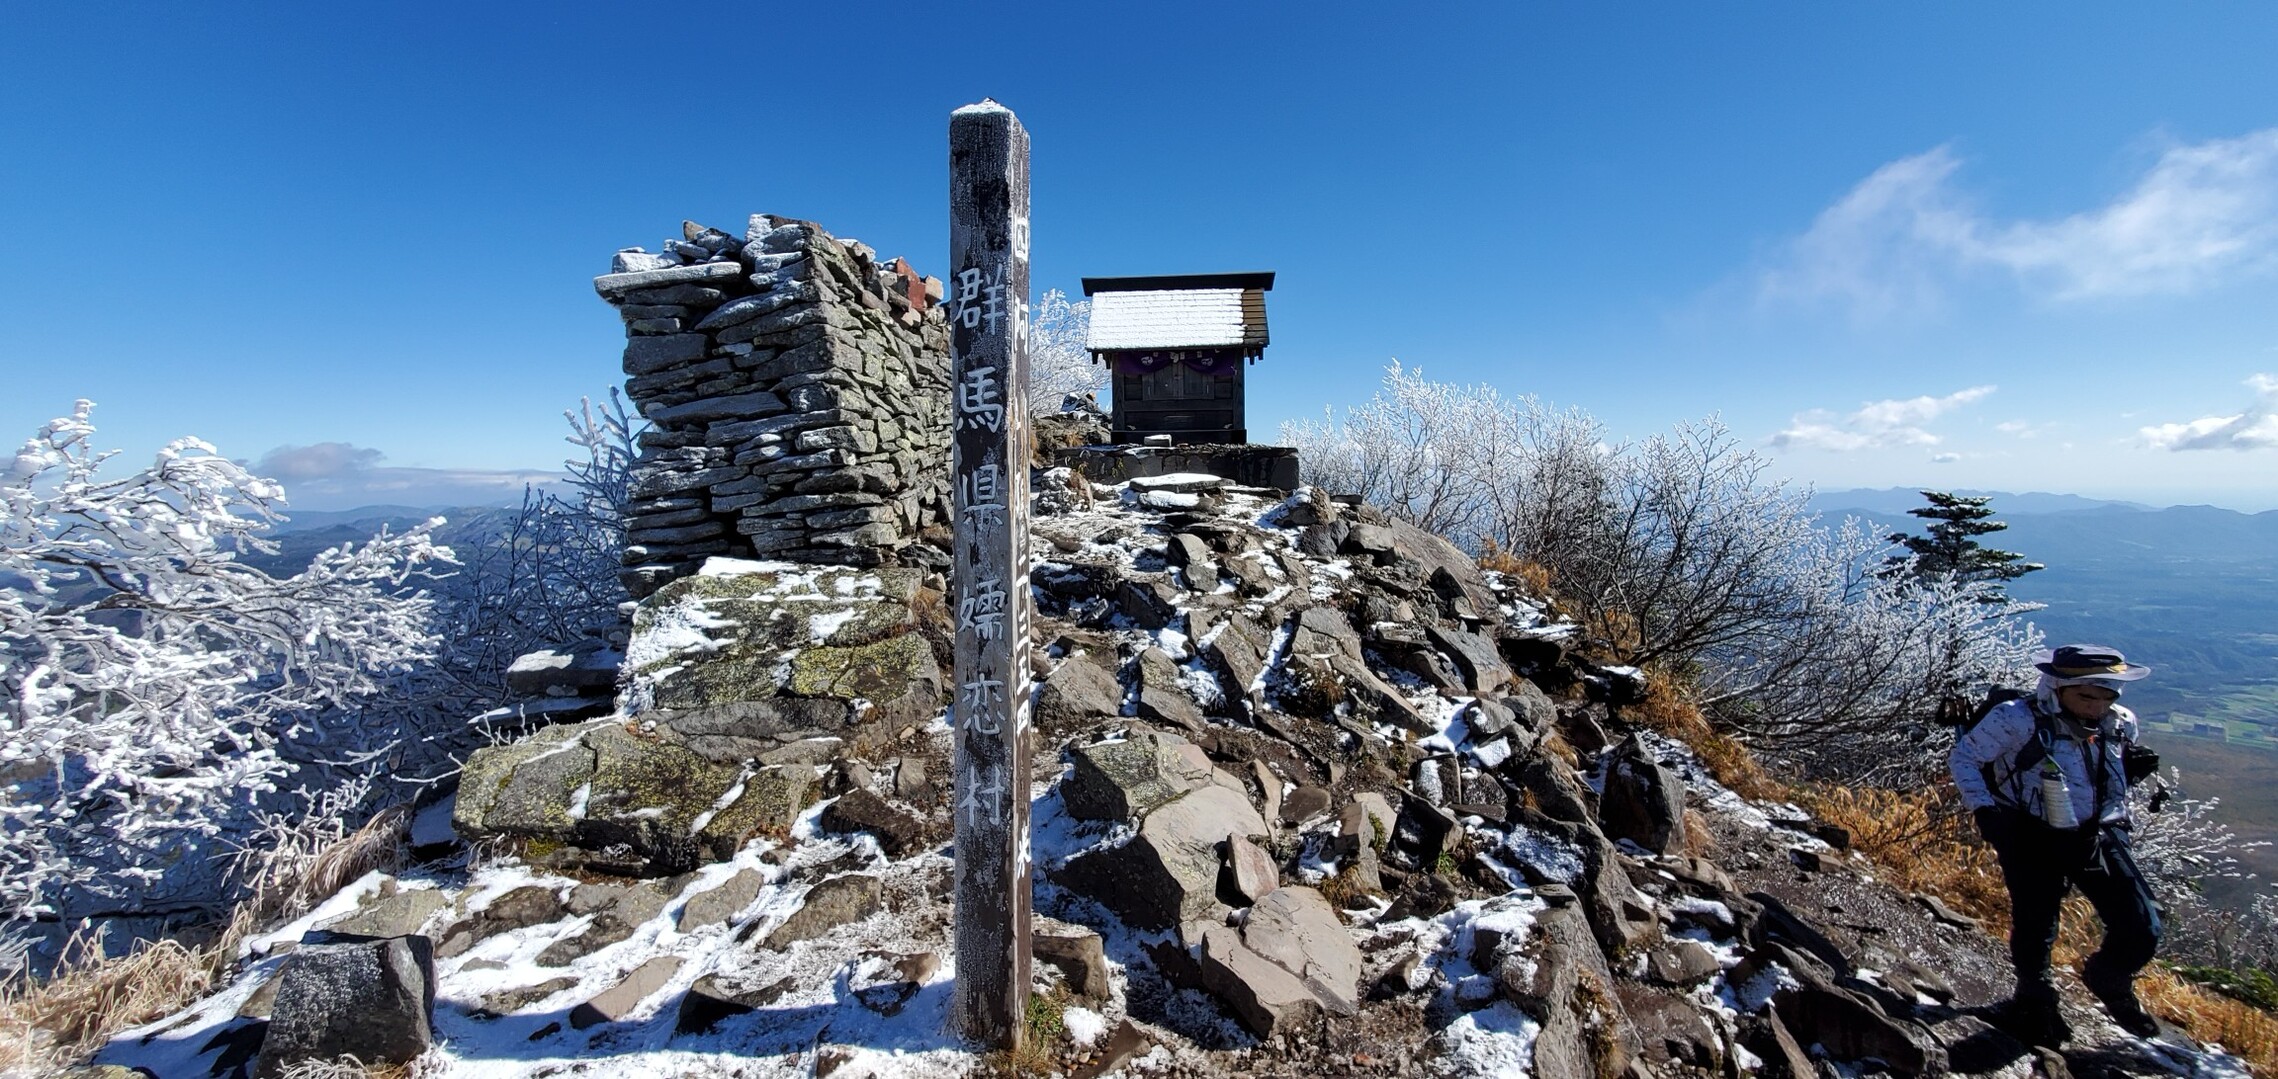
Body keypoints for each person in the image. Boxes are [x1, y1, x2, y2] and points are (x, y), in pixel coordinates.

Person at [1950, 644, 2164, 1044]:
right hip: (2029, 832)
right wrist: (1984, 810)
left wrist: (2128, 771)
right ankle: (2034, 1000)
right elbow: (1964, 758)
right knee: (2036, 920)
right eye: (2087, 696)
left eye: (2107, 696)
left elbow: (2097, 774)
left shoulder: (2120, 723)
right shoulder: (2015, 719)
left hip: (2098, 832)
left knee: (2141, 925)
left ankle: (2108, 976)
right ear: (2057, 687)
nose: (2098, 706)